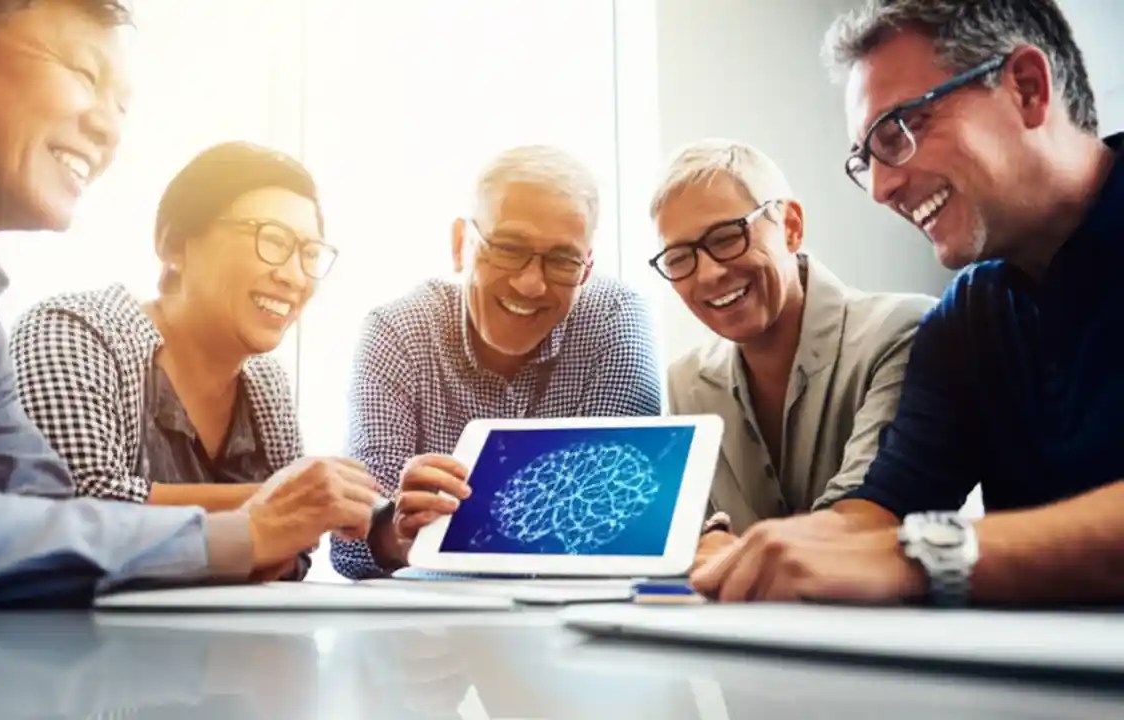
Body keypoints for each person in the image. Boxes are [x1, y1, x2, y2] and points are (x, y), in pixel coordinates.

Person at [0, 0, 378, 606]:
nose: (108, 130)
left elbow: (47, 511)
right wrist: (239, 534)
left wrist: (269, 531)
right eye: (84, 75)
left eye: (120, 106)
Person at [692, 0, 1124, 606]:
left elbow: (893, 546)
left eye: (897, 132)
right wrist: (760, 555)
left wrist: (925, 556)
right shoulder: (968, 316)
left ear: (1027, 88)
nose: (880, 186)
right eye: (864, 159)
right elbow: (884, 509)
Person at [331, 145, 664, 579]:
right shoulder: (398, 332)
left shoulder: (613, 320)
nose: (530, 284)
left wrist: (444, 533)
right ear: (460, 245)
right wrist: (393, 532)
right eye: (507, 247)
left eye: (562, 260)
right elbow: (350, 547)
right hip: (434, 615)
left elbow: (617, 523)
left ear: (586, 268)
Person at [11, 142, 341, 579]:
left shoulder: (265, 383)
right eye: (272, 240)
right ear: (174, 245)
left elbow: (296, 549)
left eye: (310, 253)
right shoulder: (73, 330)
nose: (294, 275)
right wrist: (287, 505)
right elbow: (79, 507)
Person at [651, 138, 933, 565]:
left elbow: (867, 518)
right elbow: (688, 536)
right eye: (678, 259)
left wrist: (719, 550)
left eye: (727, 238)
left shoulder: (900, 331)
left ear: (790, 227)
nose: (707, 274)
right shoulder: (684, 383)